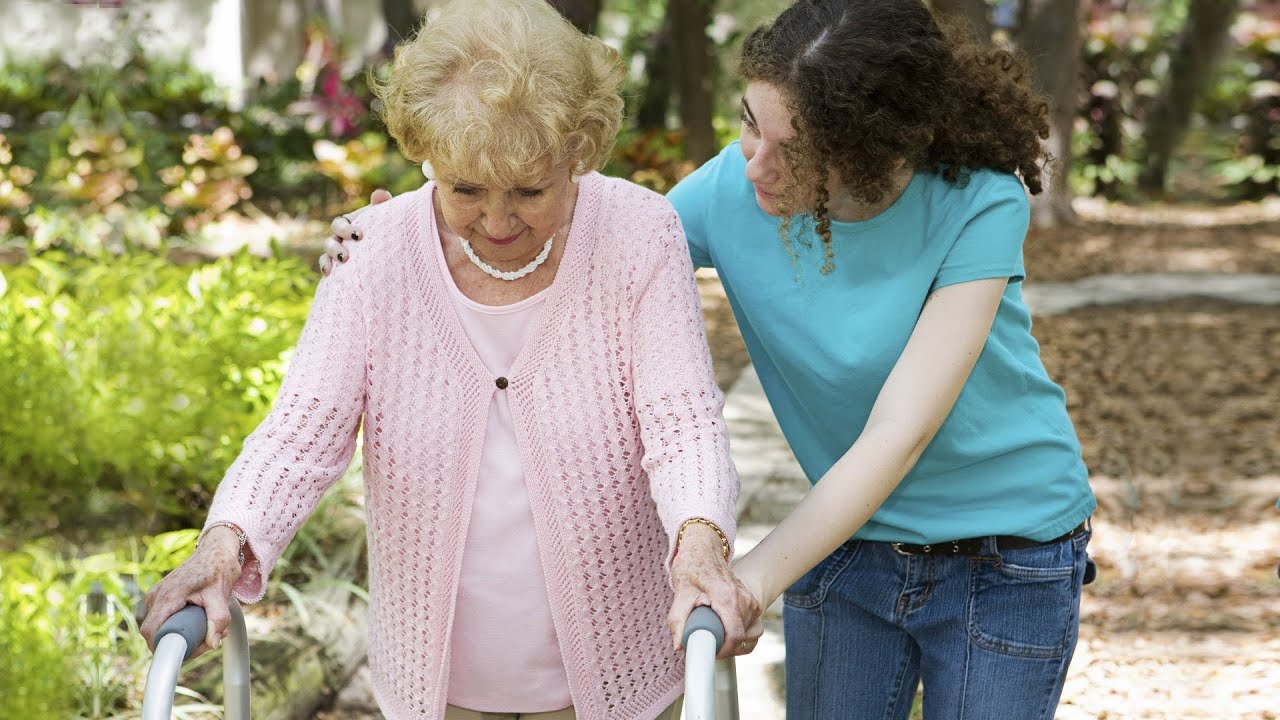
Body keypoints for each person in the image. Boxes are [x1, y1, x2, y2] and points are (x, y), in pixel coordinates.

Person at [326, 1, 1099, 718]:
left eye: (794, 151)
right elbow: (594, 233)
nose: (754, 162)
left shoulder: (979, 201)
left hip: (1005, 557)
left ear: (867, 156)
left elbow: (900, 433)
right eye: (748, 124)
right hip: (842, 546)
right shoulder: (735, 188)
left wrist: (747, 578)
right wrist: (410, 236)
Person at [140, 2, 762, 719]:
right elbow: (298, 434)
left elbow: (681, 423)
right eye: (465, 188)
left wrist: (700, 546)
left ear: (580, 153)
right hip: (440, 691)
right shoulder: (373, 257)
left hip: (626, 676)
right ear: (426, 152)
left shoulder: (640, 234)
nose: (499, 223)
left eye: (531, 190)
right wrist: (223, 544)